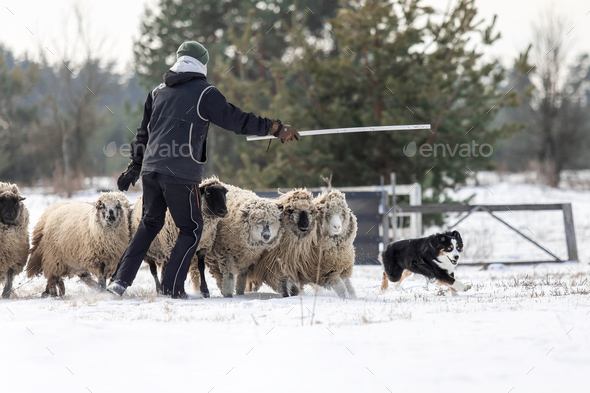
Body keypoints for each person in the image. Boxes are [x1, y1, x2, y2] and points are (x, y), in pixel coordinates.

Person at [107, 41, 300, 299]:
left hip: (151, 171)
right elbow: (237, 120)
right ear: (202, 63)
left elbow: (142, 133)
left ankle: (119, 282)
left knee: (149, 224)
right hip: (180, 173)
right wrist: (275, 128)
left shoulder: (157, 92)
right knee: (192, 228)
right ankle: (172, 288)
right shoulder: (204, 93)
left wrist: (134, 167)